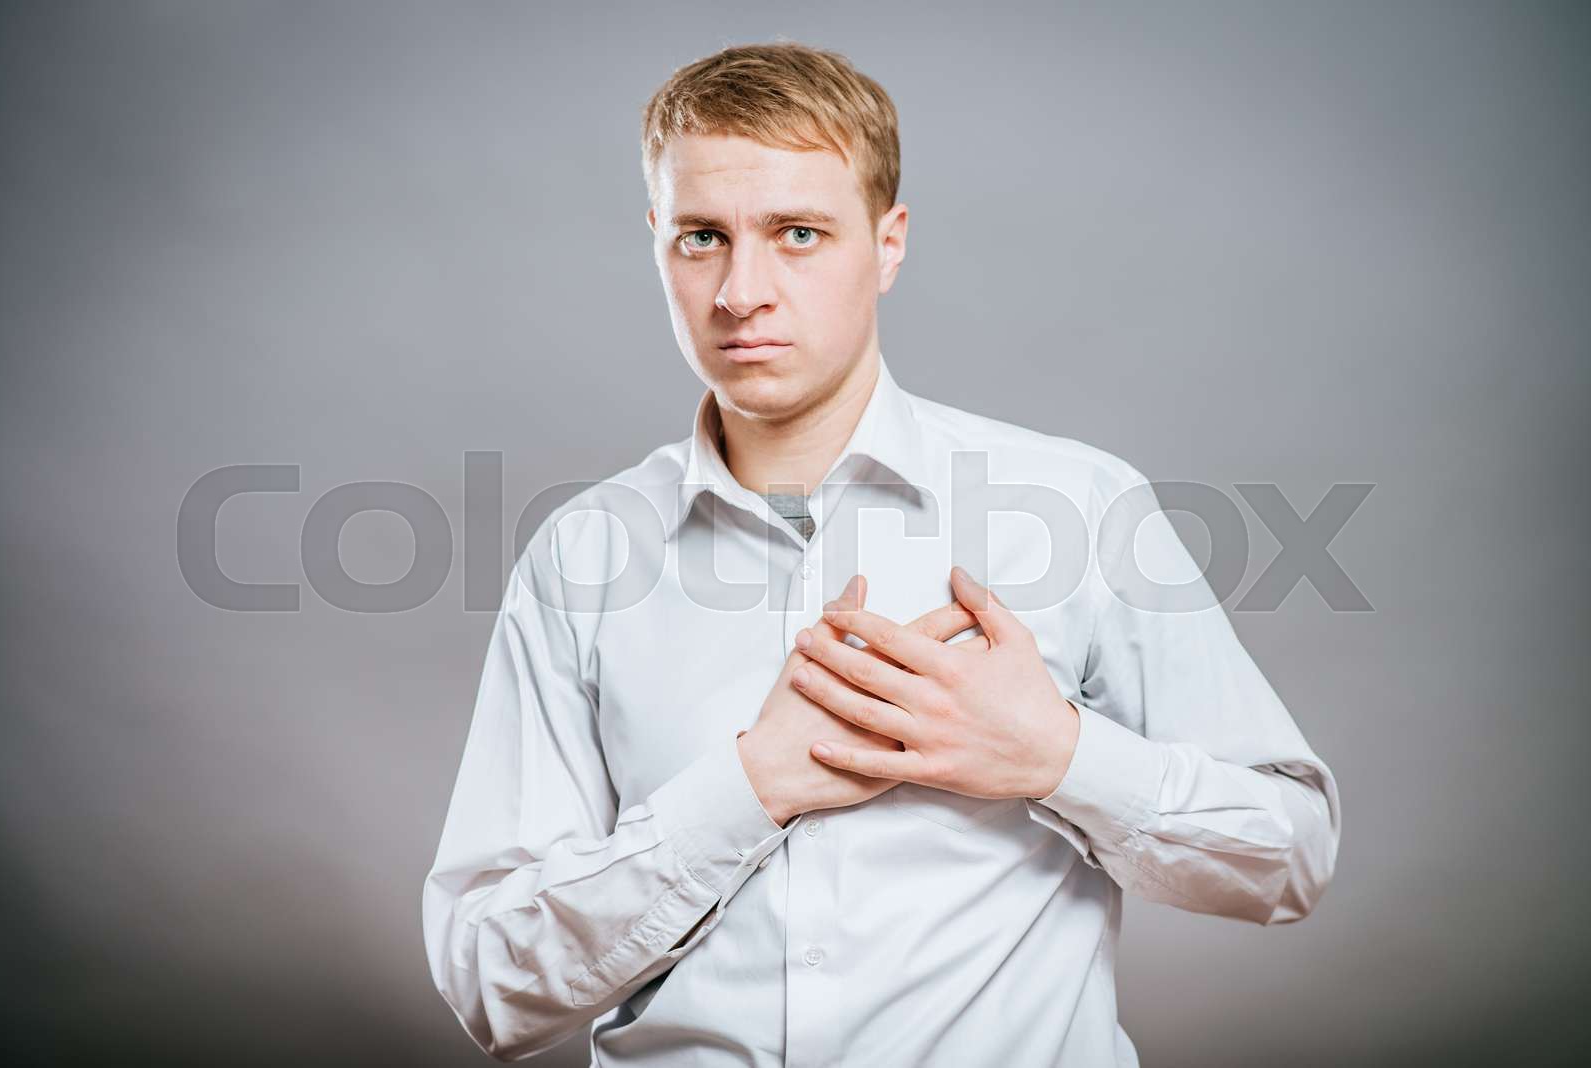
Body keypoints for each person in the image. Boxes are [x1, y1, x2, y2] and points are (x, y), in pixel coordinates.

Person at [422, 41, 1340, 1067]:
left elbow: (1289, 857)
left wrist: (1059, 758)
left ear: (888, 243)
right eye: (701, 238)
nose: (740, 292)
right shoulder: (581, 558)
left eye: (798, 234)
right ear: (658, 243)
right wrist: (750, 788)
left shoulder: (1081, 508)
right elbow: (489, 988)